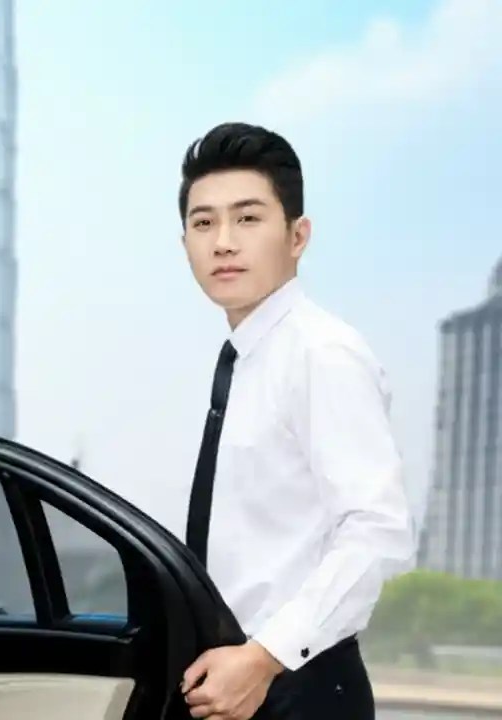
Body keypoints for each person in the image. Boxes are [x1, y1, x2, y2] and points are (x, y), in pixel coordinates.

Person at [173, 122, 415, 719]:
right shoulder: (245, 360)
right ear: (185, 243)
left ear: (298, 235)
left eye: (248, 218)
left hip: (298, 686)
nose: (223, 242)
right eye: (204, 223)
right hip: (239, 681)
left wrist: (262, 658)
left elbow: (376, 532)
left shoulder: (321, 354)